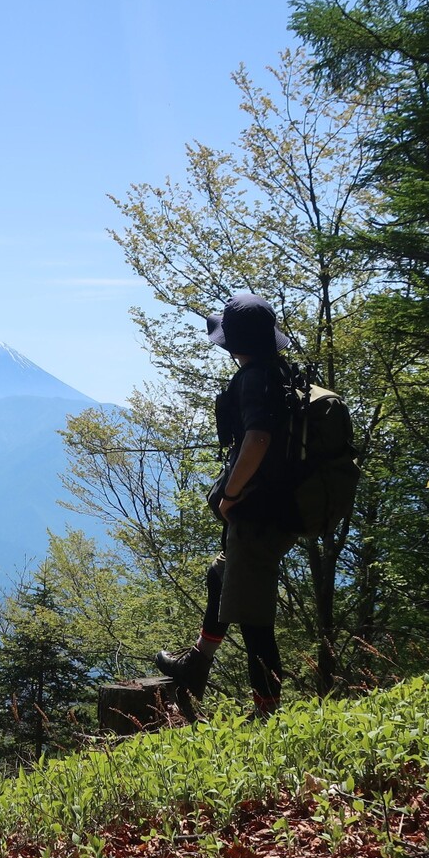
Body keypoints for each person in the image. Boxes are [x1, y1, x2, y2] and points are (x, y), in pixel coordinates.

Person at [155, 292, 299, 721]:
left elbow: (258, 439)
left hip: (259, 512)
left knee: (254, 619)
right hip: (278, 506)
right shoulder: (280, 373)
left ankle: (267, 713)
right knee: (220, 575)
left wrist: (231, 494)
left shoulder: (255, 379)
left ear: (234, 343)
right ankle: (196, 662)